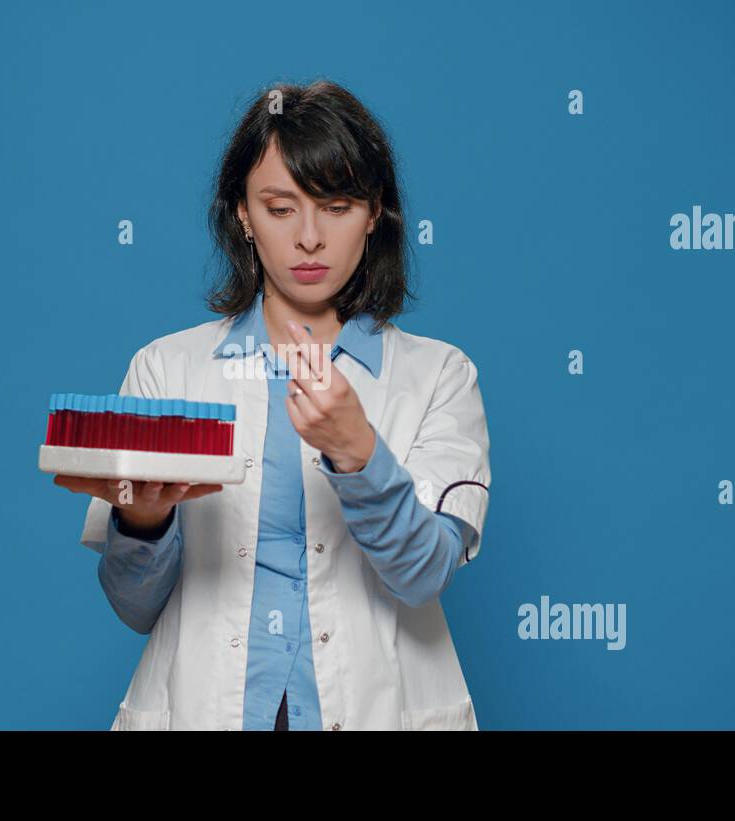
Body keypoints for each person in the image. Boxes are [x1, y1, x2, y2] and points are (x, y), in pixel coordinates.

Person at [52, 80, 491, 730]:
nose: (309, 237)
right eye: (281, 207)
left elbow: (422, 574)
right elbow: (135, 606)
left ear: (376, 214)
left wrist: (358, 452)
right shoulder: (167, 368)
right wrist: (143, 523)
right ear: (242, 215)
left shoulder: (439, 375)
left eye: (336, 205)